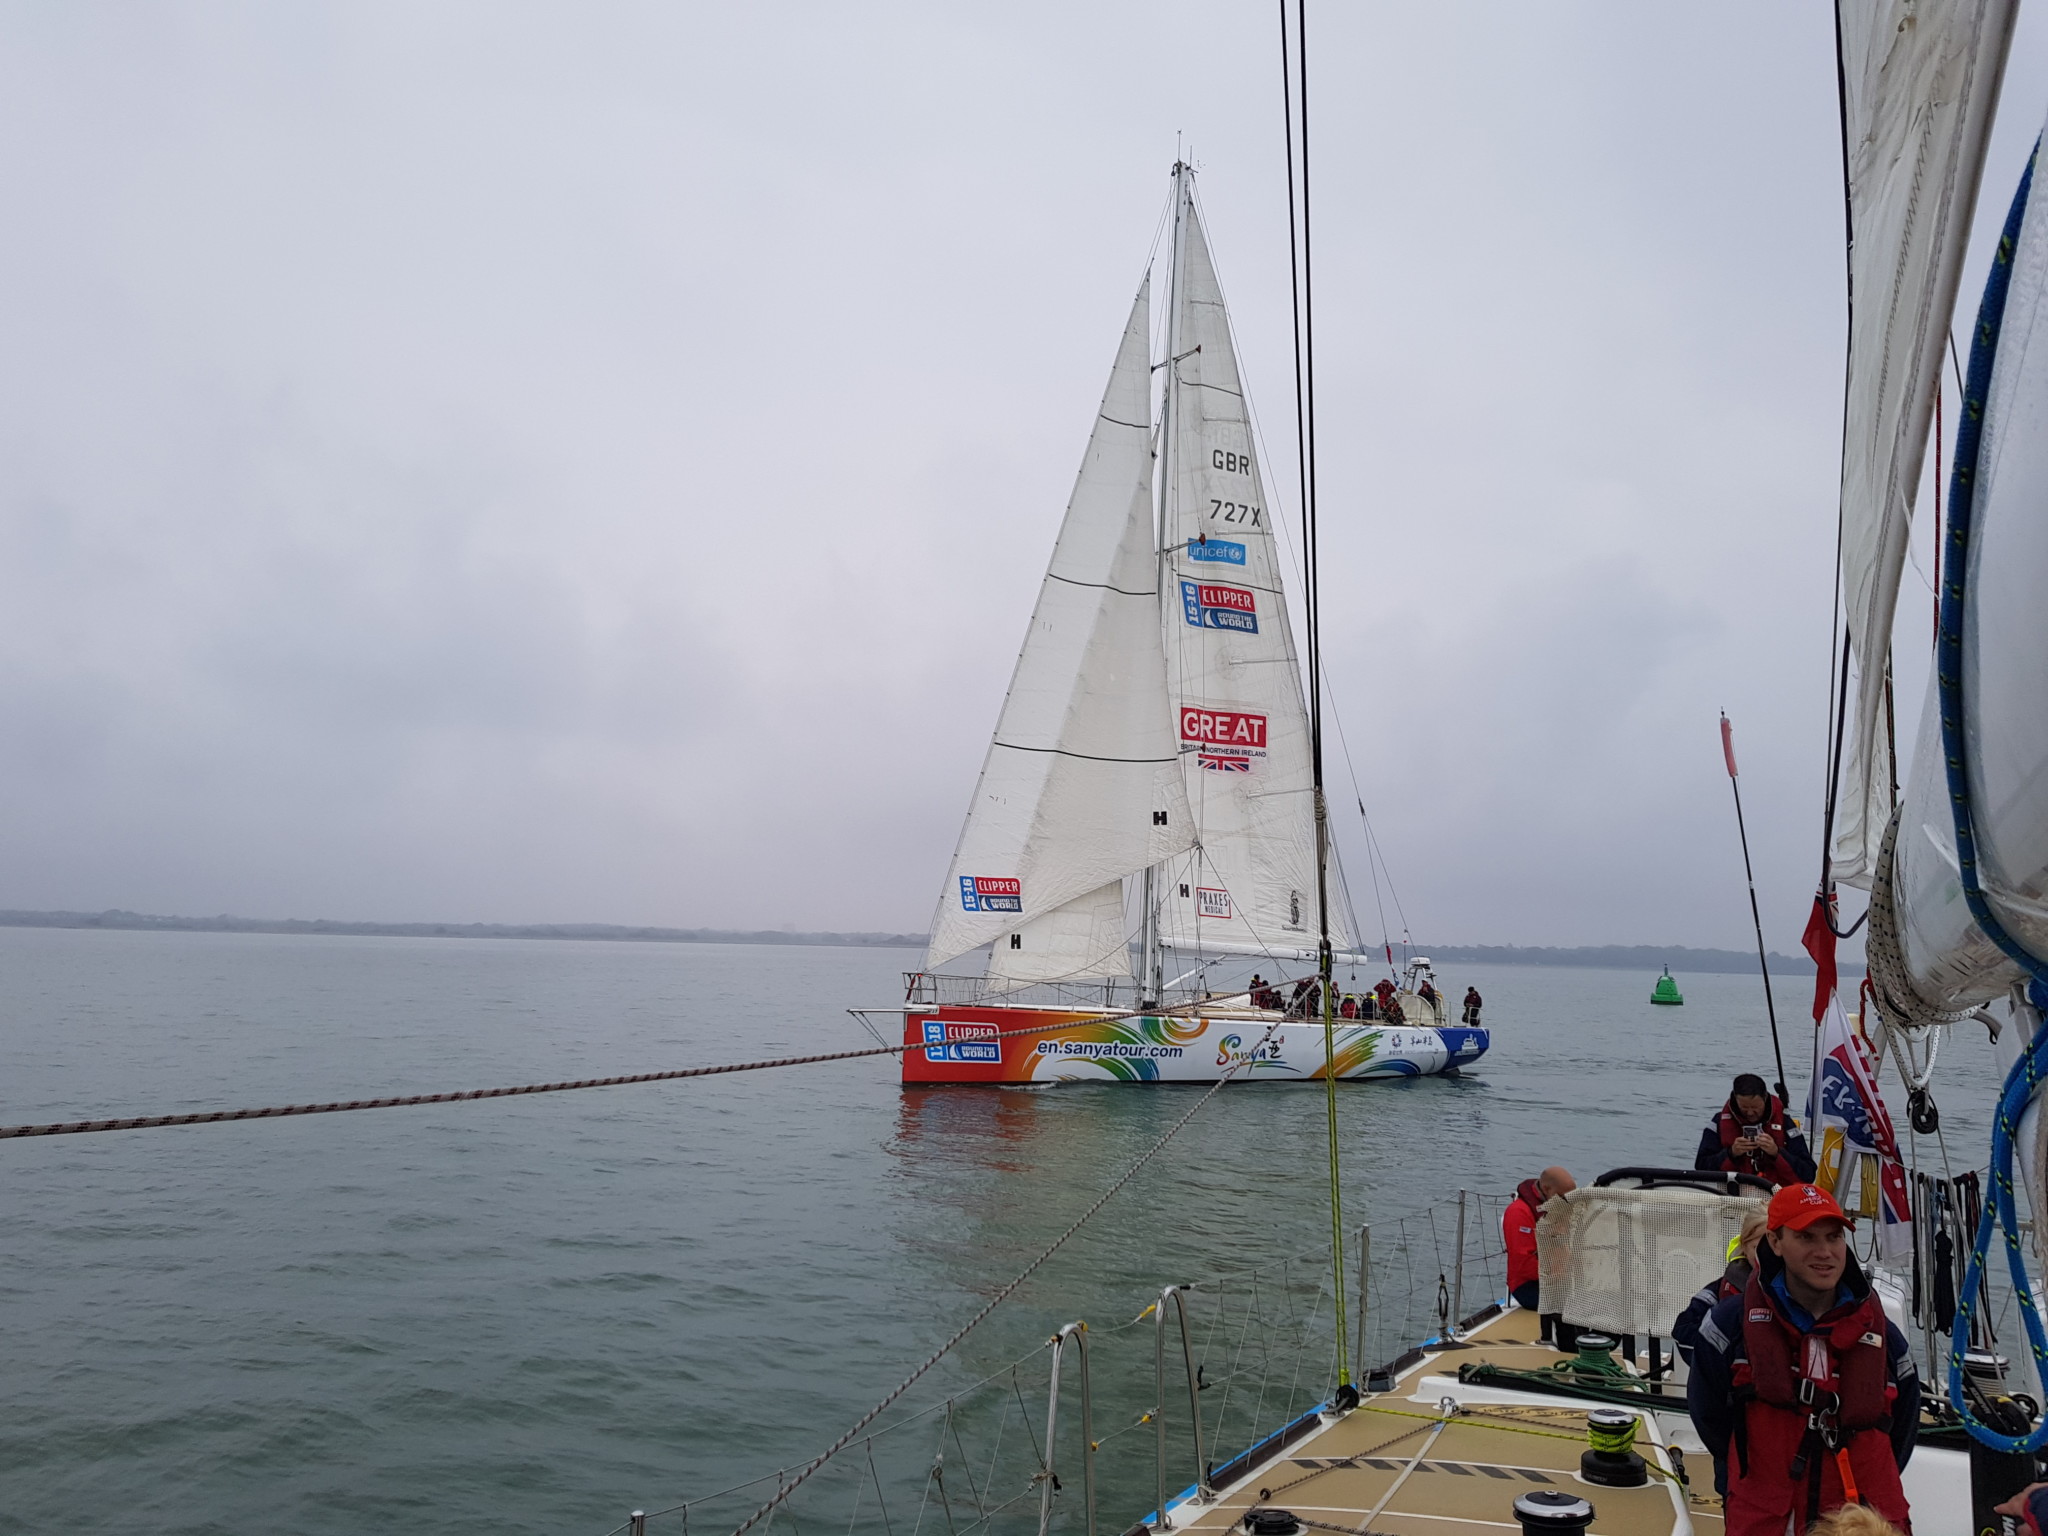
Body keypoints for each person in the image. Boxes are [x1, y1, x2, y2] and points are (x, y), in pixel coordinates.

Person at [1686, 1183, 1918, 1535]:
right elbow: (1709, 1415)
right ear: (1775, 1242)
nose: (1824, 1252)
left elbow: (1905, 1426)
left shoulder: (1886, 1339)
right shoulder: (1730, 1326)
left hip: (1860, 1520)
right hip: (1768, 1513)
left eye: (1834, 1237)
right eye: (1806, 1237)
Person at [1671, 1212, 1767, 1365]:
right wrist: (1726, 1357)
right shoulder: (1721, 1289)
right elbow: (1683, 1332)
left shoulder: (1801, 1289)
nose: (1765, 1255)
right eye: (1757, 1247)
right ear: (1744, 1247)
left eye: (1771, 1245)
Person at [1694, 1072, 1817, 1188]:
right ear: (1735, 1100)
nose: (1750, 1113)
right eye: (1744, 1107)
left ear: (1765, 1098)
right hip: (1731, 1195)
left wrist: (1776, 1153)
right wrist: (1731, 1153)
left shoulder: (1785, 1123)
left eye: (1755, 1107)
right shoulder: (1719, 1122)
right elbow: (1701, 1168)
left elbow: (1808, 1174)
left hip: (1775, 1195)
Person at [1505, 1166, 1577, 1312]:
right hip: (1528, 1285)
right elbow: (1524, 1265)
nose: (1567, 1202)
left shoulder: (1558, 1207)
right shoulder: (1518, 1213)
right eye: (1562, 1197)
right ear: (1546, 1189)